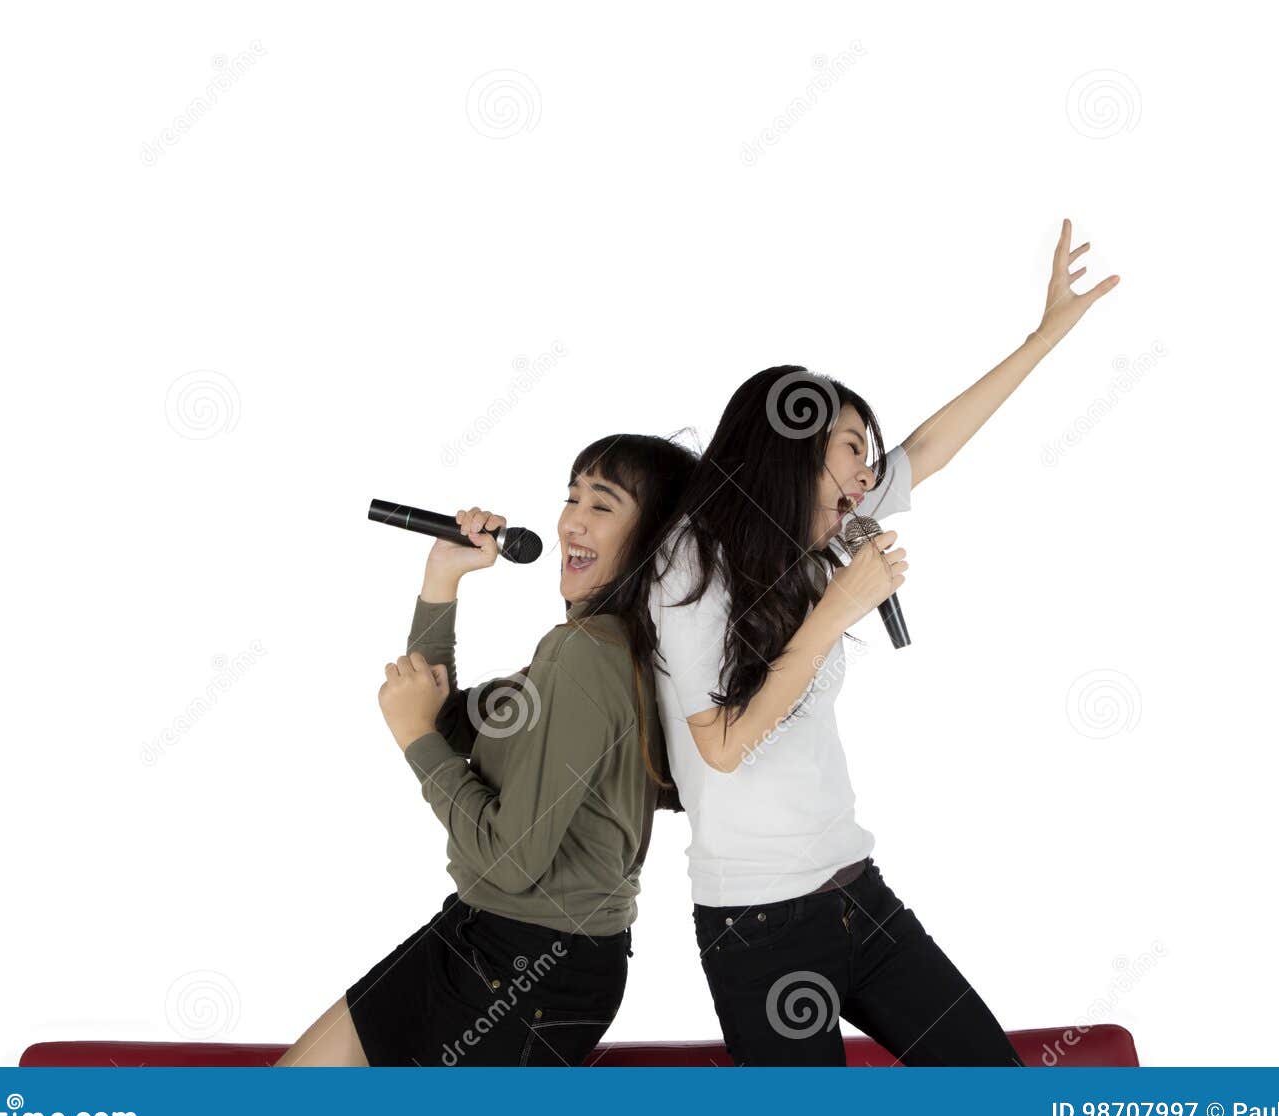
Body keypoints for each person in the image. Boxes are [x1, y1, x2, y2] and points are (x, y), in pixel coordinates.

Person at [641, 221, 1119, 1064]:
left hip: (856, 895)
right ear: (790, 452)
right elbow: (722, 743)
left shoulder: (822, 535)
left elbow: (930, 447)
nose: (869, 478)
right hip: (757, 926)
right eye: (852, 452)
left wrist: (1044, 336)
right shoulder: (692, 561)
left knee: (994, 1085)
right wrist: (838, 607)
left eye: (868, 458)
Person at [278, 433, 696, 1066]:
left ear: (655, 539)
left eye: (602, 506)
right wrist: (442, 579)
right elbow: (450, 719)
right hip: (495, 938)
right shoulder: (596, 647)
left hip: (526, 963)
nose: (571, 522)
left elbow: (509, 859)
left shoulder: (586, 655)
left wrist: (412, 739)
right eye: (572, 497)